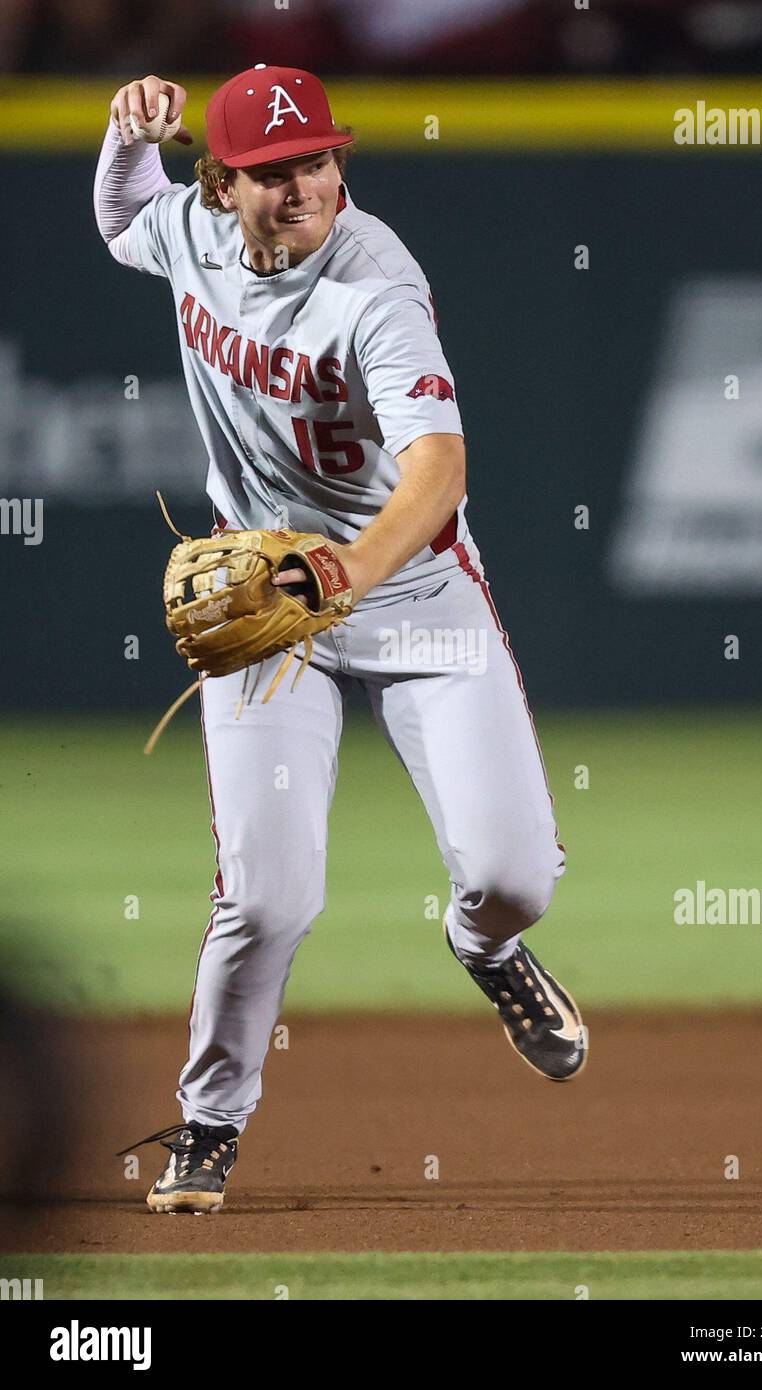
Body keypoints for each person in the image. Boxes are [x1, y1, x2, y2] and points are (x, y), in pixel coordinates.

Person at [97, 66, 586, 1214]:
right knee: (265, 899)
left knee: (512, 879)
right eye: (272, 171)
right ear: (221, 184)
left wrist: (350, 570)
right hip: (269, 601)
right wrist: (124, 138)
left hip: (414, 597)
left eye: (316, 159)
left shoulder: (375, 286)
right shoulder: (191, 231)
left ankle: (485, 949)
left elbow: (438, 470)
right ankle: (210, 1122)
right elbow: (124, 217)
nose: (302, 185)